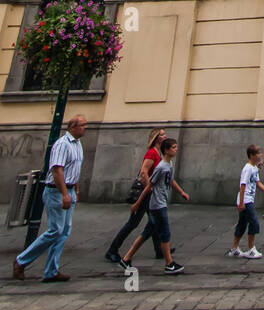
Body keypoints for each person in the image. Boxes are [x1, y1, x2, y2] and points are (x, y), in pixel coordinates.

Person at [12, 114, 87, 283]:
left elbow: (73, 167)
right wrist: (65, 194)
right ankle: (21, 261)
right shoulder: (62, 144)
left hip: (69, 190)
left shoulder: (78, 144)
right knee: (55, 230)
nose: (85, 128)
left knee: (64, 231)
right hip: (56, 192)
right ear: (72, 127)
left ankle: (51, 270)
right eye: (82, 125)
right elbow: (56, 171)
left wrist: (75, 187)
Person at [120, 136, 188, 274]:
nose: (176, 150)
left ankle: (126, 258)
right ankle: (169, 263)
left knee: (147, 233)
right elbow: (149, 185)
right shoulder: (161, 167)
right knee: (165, 233)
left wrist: (181, 192)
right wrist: (138, 203)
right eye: (174, 147)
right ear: (166, 150)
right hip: (157, 205)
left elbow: (171, 180)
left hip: (160, 202)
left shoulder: (169, 165)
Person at [105, 127, 166, 262]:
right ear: (156, 138)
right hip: (144, 193)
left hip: (148, 193)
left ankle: (160, 250)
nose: (165, 136)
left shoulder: (158, 153)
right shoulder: (151, 153)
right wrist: (149, 187)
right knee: (133, 223)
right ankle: (112, 250)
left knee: (154, 222)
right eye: (162, 135)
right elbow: (144, 172)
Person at [228, 145, 264, 259]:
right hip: (246, 201)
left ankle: (234, 248)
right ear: (252, 155)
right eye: (258, 153)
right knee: (254, 223)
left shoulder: (254, 168)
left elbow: (258, 182)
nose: (260, 155)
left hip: (248, 199)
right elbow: (243, 185)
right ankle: (251, 249)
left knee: (242, 224)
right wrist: (241, 203)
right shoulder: (247, 168)